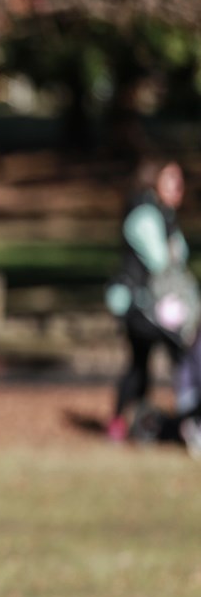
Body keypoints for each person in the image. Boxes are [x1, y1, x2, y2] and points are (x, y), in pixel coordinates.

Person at [105, 158, 201, 445]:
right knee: (170, 356)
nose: (177, 187)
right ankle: (133, 422)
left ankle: (138, 422)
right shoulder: (145, 214)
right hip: (141, 305)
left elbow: (177, 259)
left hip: (157, 304)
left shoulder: (164, 215)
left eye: (179, 181)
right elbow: (162, 261)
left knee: (145, 363)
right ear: (154, 181)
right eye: (170, 180)